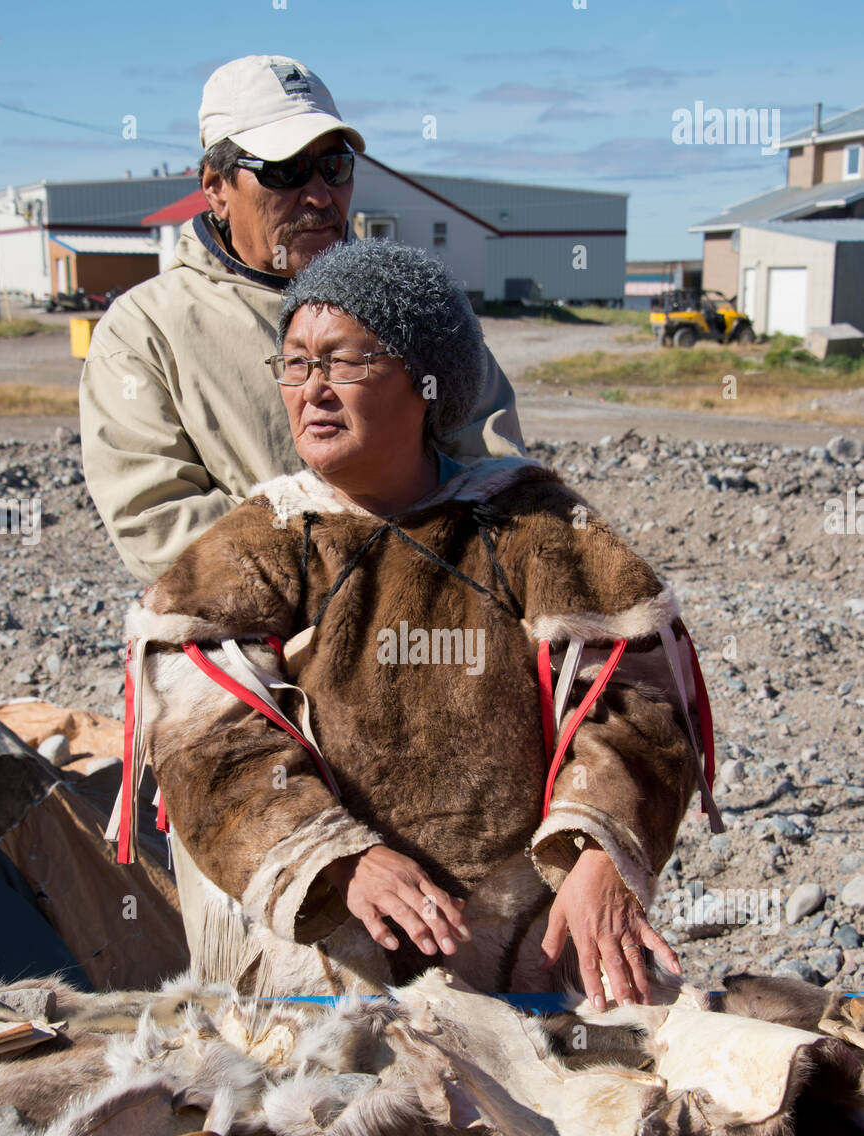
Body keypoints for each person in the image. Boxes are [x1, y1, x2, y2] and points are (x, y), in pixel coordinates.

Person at [120, 238, 722, 1006]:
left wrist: (598, 850)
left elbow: (638, 700)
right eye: (295, 363)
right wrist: (337, 858)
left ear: (427, 383)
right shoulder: (260, 542)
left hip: (526, 949)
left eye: (344, 360)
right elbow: (204, 738)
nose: (313, 389)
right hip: (326, 967)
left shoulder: (531, 524)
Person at [79, 54, 524, 587]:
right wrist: (341, 573)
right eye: (285, 170)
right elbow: (156, 523)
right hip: (260, 648)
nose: (319, 194)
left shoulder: (417, 302)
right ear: (217, 187)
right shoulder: (145, 330)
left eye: (334, 166)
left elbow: (494, 465)